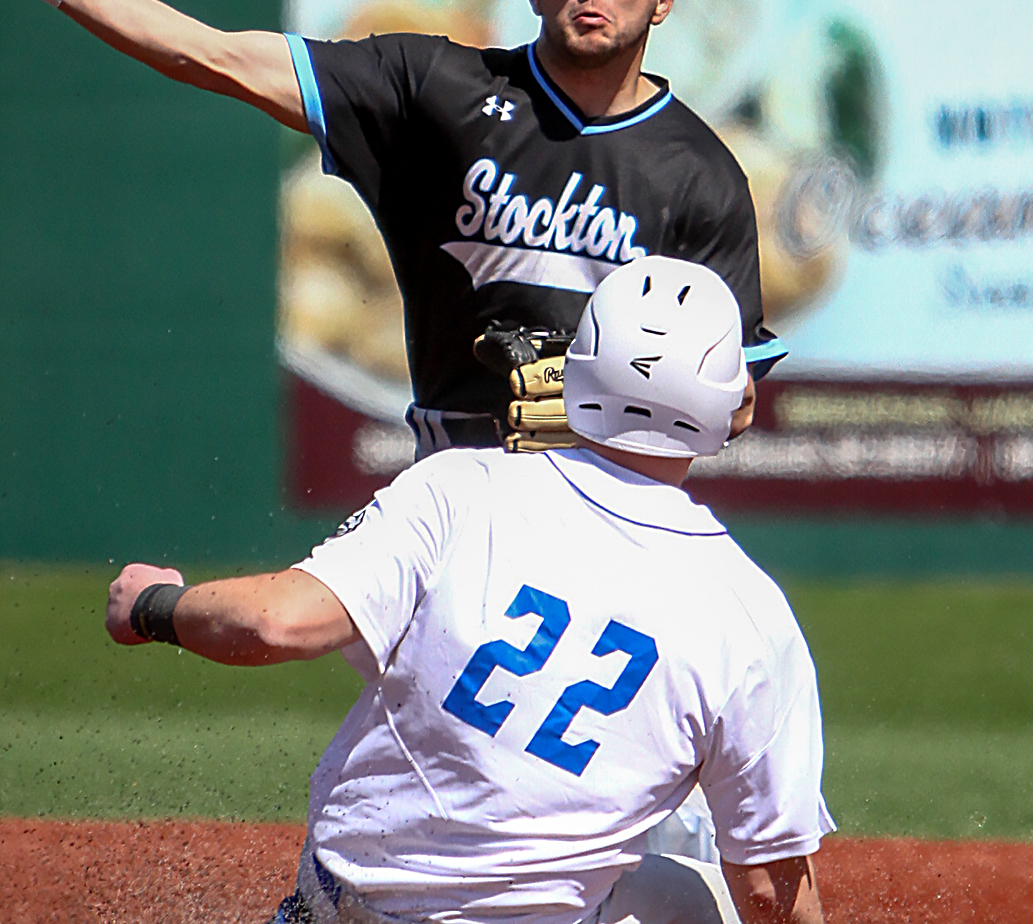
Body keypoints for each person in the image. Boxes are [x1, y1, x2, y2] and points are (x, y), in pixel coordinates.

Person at [0, 0, 787, 456]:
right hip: (456, 484)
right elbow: (209, 54)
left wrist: (607, 388)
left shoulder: (703, 173)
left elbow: (736, 401)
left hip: (617, 499)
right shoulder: (436, 89)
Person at [106, 256, 830, 924]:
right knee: (700, 880)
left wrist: (153, 605)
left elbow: (274, 624)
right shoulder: (752, 614)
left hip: (340, 905)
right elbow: (773, 891)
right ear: (737, 397)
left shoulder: (457, 488)